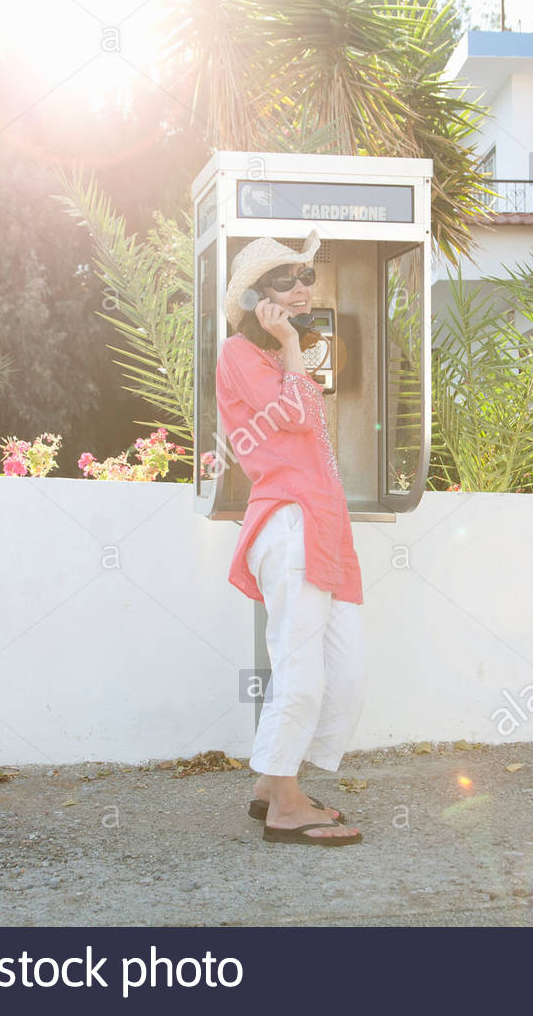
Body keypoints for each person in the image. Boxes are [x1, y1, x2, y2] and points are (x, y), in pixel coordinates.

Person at [214, 230, 366, 847]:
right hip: (290, 520)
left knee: (345, 668)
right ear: (255, 297)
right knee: (300, 667)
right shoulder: (239, 354)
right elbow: (297, 414)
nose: (303, 287)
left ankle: (272, 783)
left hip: (327, 524)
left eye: (306, 275)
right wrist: (291, 343)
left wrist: (291, 349)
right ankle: (284, 800)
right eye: (286, 279)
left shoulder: (281, 357)